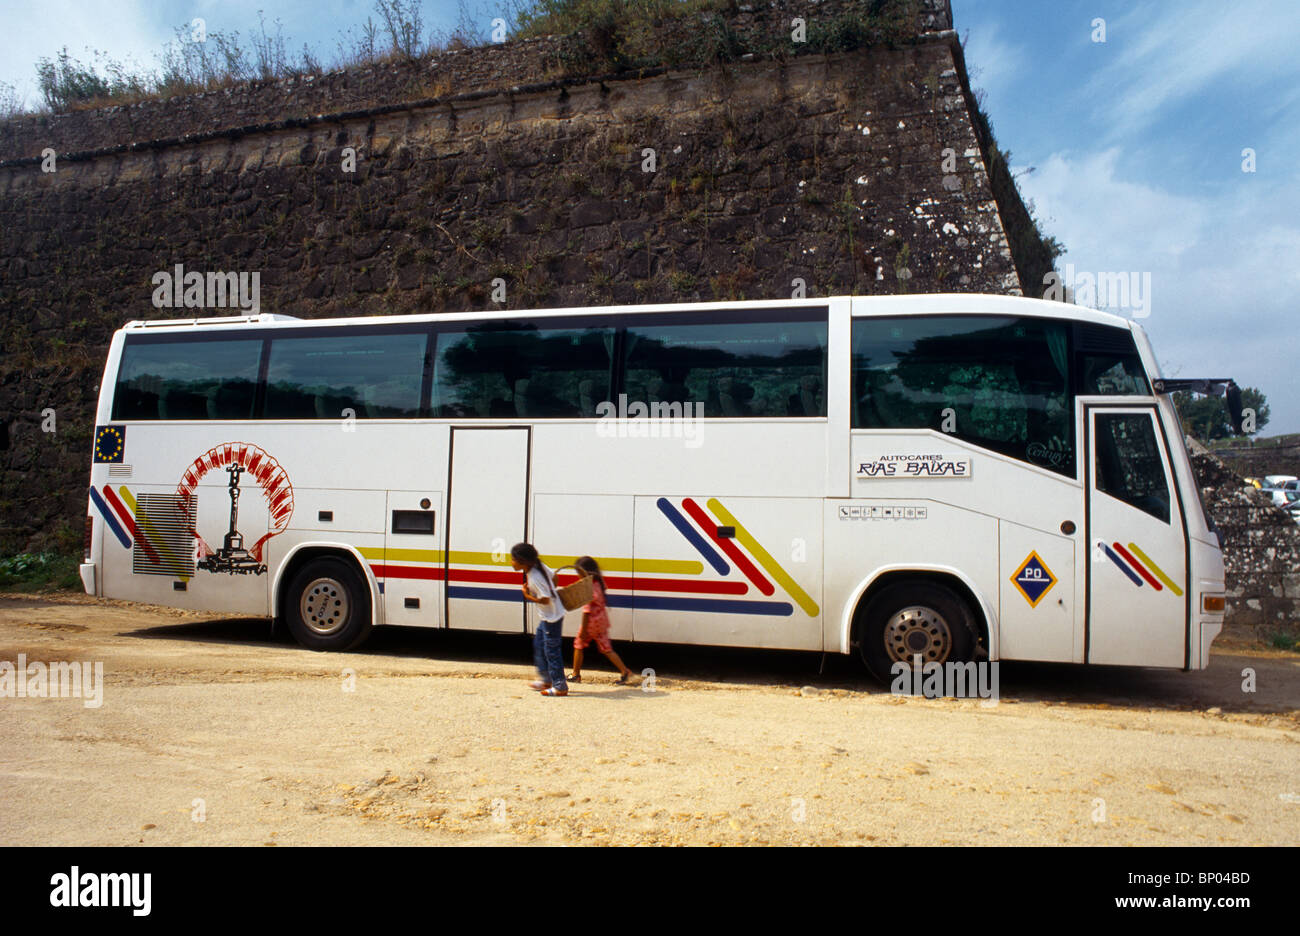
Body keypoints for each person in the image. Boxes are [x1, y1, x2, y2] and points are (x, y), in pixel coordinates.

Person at [511, 542, 568, 697]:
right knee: (539, 644)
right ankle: (546, 679)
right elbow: (555, 578)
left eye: (513, 559)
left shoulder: (535, 576)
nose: (511, 562)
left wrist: (528, 595)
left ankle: (560, 686)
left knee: (552, 651)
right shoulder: (537, 566)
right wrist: (548, 588)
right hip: (549, 616)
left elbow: (546, 599)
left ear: (523, 562)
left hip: (552, 618)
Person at [569, 556, 634, 686]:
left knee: (579, 644)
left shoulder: (588, 587)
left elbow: (586, 611)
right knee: (606, 648)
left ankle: (575, 674)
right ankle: (625, 671)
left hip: (591, 622)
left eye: (579, 573)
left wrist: (584, 629)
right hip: (601, 621)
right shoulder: (599, 582)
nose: (578, 576)